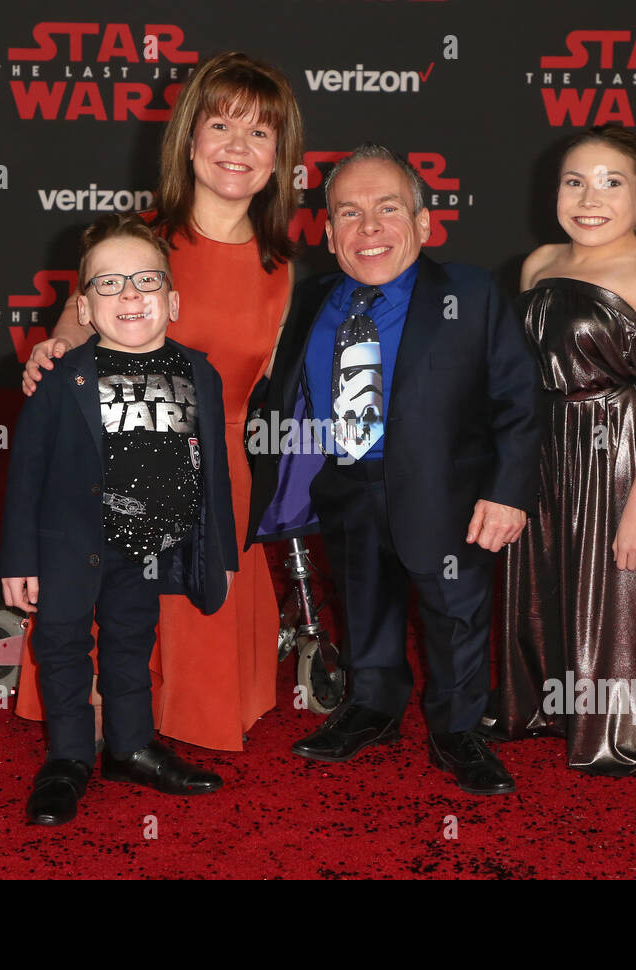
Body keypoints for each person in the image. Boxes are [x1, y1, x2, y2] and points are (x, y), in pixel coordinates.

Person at [18, 52, 303, 751]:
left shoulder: (282, 270)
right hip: (115, 464)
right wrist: (53, 351)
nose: (238, 147)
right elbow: (74, 325)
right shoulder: (143, 238)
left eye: (260, 133)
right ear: (189, 139)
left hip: (216, 475)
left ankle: (176, 720)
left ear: (280, 157)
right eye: (221, 125)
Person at [246, 145, 543, 795]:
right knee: (364, 602)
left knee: (454, 611)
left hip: (448, 494)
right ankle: (373, 708)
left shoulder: (471, 293)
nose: (369, 227)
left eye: (387, 209)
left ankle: (457, 729)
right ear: (327, 232)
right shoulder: (311, 298)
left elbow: (520, 402)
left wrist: (508, 493)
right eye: (349, 213)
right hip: (345, 485)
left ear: (425, 221)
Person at [0, 213, 238, 825]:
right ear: (83, 306)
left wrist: (222, 553)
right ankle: (69, 758)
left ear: (173, 298)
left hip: (147, 549)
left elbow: (215, 470)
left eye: (146, 281)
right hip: (68, 545)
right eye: (108, 284)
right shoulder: (60, 378)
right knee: (61, 646)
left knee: (133, 644)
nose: (129, 294)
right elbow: (25, 471)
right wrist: (18, 559)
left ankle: (131, 746)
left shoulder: (198, 374)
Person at [486, 125, 636, 776]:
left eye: (611, 182)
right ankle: (544, 704)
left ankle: (616, 726)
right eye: (574, 181)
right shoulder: (539, 264)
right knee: (539, 576)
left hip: (615, 451)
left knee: (610, 584)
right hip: (541, 444)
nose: (589, 197)